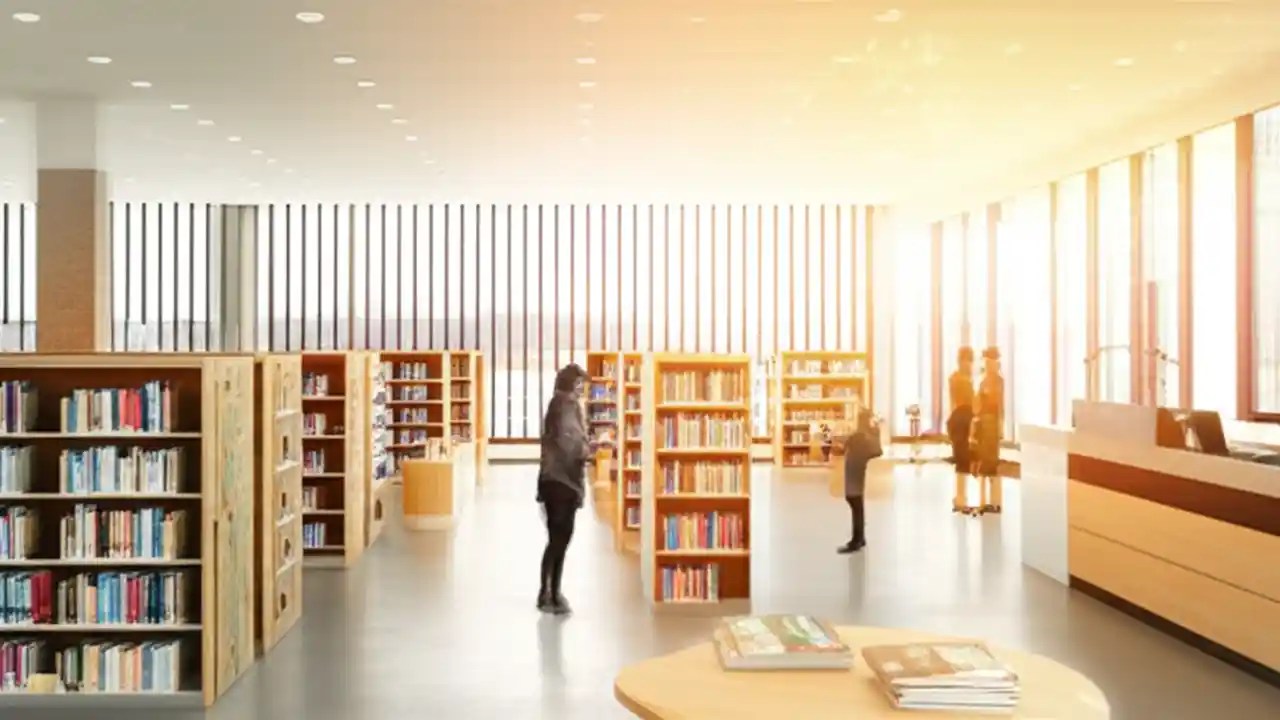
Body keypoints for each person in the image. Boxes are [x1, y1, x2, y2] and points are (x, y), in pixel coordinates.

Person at [537, 363, 591, 615]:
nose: (583, 389)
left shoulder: (556, 404)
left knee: (555, 540)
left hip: (553, 480)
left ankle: (548, 592)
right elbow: (571, 443)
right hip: (563, 482)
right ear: (572, 384)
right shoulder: (567, 406)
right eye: (580, 384)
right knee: (560, 540)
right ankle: (552, 594)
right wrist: (589, 449)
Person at [838, 409, 882, 554]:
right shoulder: (869, 437)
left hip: (853, 474)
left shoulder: (858, 436)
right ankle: (860, 538)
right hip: (858, 475)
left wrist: (825, 431)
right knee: (858, 507)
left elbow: (840, 447)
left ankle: (856, 540)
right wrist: (876, 431)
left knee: (855, 504)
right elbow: (877, 451)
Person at [947, 347, 976, 512]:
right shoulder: (961, 379)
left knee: (963, 459)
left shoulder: (958, 378)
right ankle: (960, 498)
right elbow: (960, 402)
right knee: (962, 459)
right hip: (961, 419)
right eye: (967, 360)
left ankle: (960, 497)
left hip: (962, 418)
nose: (968, 364)